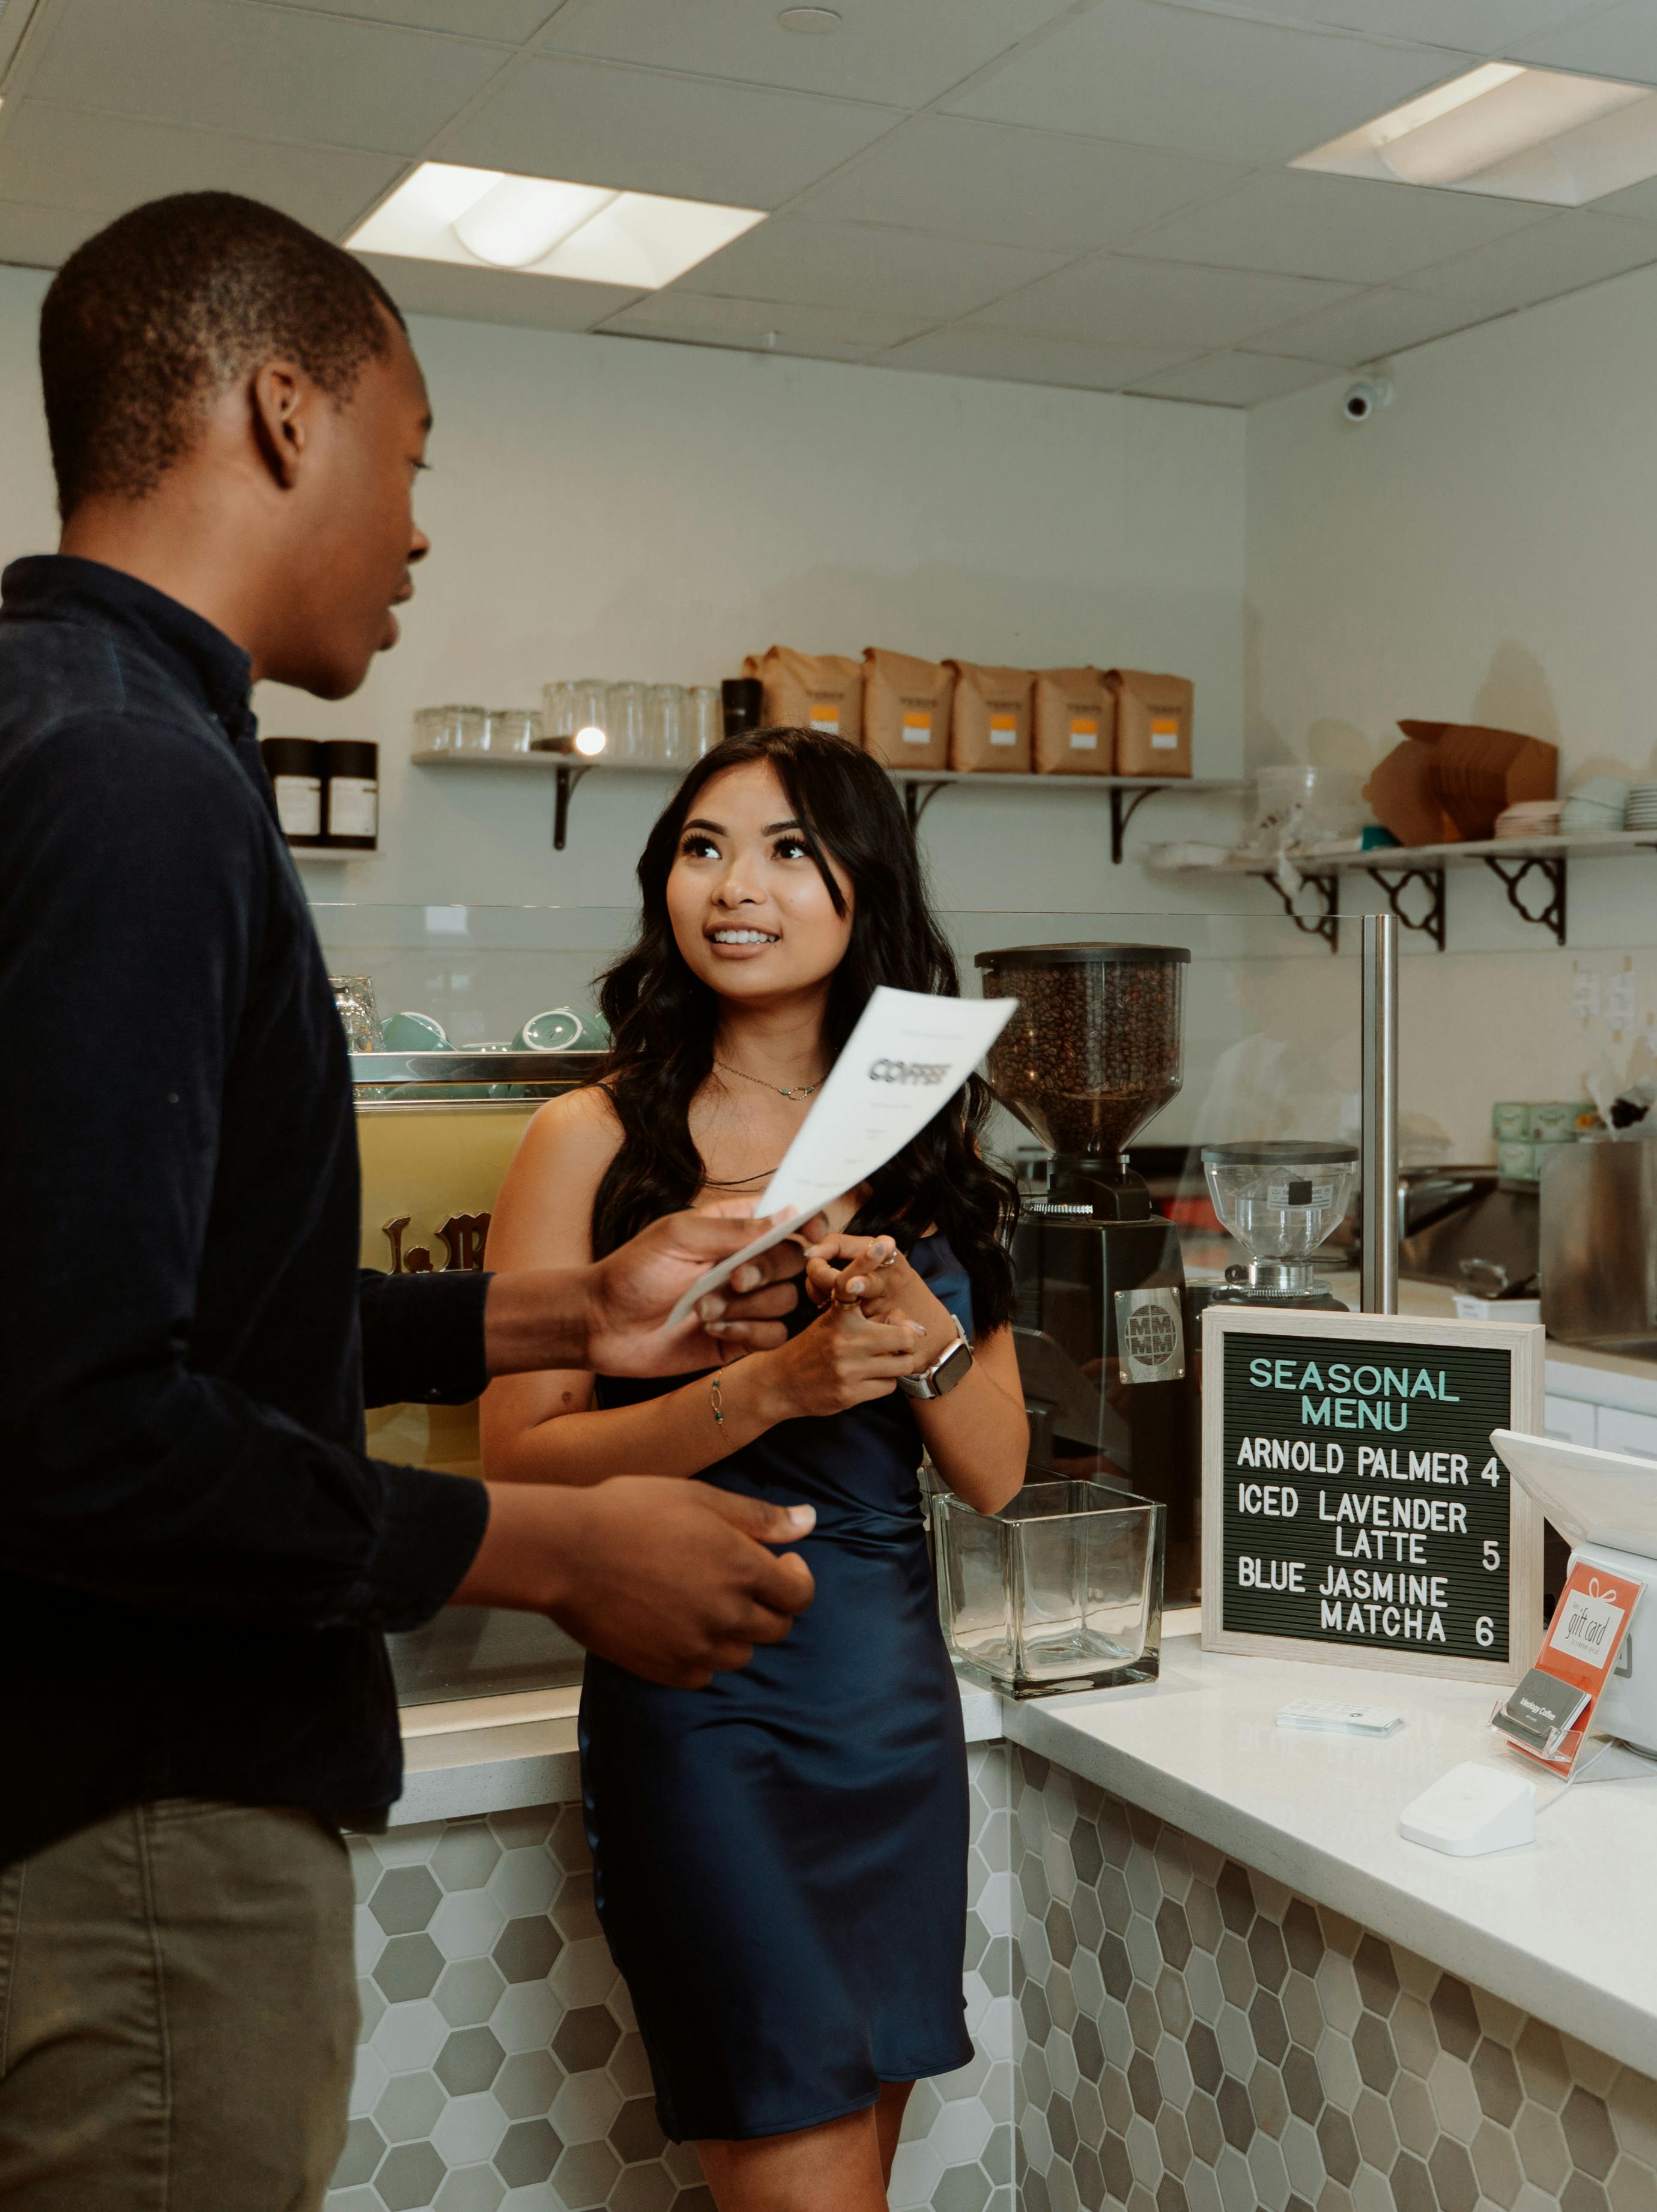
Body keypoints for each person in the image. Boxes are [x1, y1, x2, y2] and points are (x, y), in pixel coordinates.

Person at [0, 195, 838, 2212]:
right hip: (117, 1810)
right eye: (408, 457)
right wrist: (554, 1545)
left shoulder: (53, 727)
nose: (420, 529)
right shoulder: (124, 778)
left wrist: (557, 1317)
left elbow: (168, 1327)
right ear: (278, 411)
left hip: (61, 1798)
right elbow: (72, 1432)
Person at [479, 729, 1029, 2212]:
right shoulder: (584, 1139)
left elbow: (994, 1471)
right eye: (703, 847)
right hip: (703, 1704)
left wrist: (923, 1347)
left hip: (887, 1705)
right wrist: (769, 1385)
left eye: (790, 849)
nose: (736, 885)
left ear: (866, 890)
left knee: (857, 2167)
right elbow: (519, 1464)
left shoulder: (930, 1142)